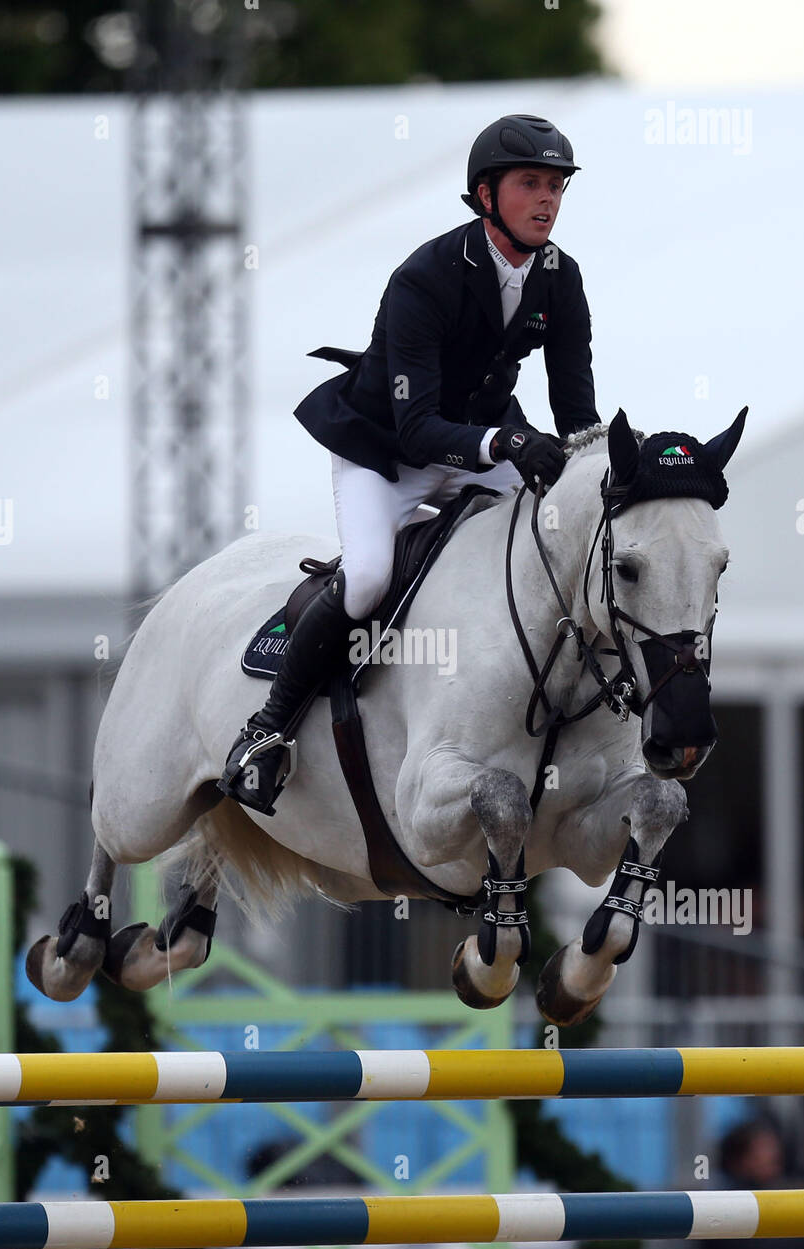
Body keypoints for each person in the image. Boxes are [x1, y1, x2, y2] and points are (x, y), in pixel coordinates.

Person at [218, 113, 601, 814]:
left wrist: (593, 470)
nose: (547, 200)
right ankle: (264, 730)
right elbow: (421, 428)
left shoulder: (560, 277)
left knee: (561, 535)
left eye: (556, 186)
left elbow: (576, 411)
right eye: (530, 184)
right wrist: (509, 445)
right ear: (486, 196)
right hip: (388, 450)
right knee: (366, 579)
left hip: (485, 441)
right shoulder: (425, 278)